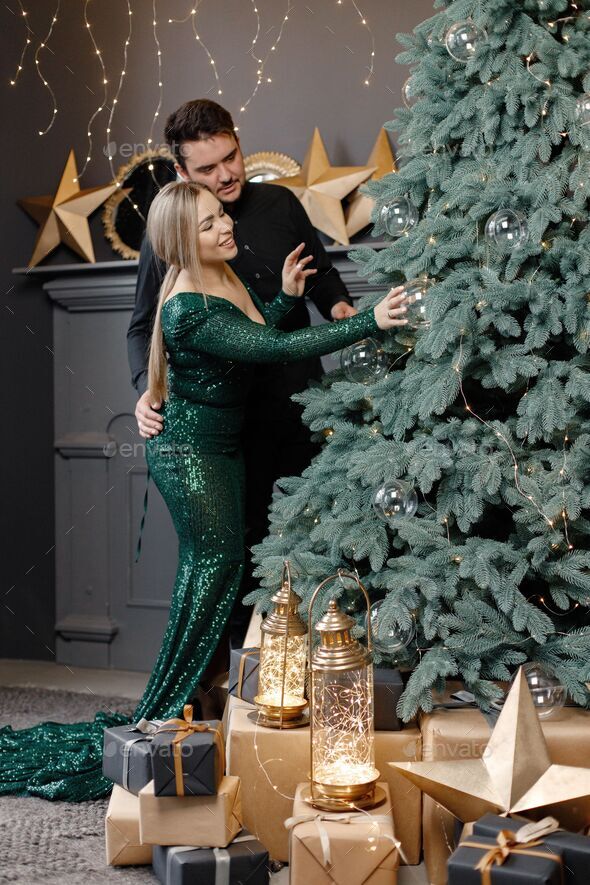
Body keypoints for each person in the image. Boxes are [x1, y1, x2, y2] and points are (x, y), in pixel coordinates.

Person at [0, 180, 408, 802]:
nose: (226, 225)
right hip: (190, 453)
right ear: (182, 241)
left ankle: (174, 703)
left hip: (221, 444)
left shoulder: (222, 272)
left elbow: (249, 342)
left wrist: (284, 296)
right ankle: (165, 709)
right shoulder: (186, 305)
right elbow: (274, 348)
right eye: (211, 222)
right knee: (213, 566)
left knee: (220, 566)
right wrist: (369, 323)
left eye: (222, 215)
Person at [128, 99, 358, 649]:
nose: (226, 175)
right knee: (239, 552)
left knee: (318, 530)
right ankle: (241, 674)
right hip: (229, 425)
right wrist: (145, 390)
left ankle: (319, 661)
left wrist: (342, 308)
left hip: (302, 401)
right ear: (181, 172)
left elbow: (320, 275)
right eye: (206, 169)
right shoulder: (171, 231)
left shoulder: (279, 203)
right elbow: (142, 326)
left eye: (231, 157)